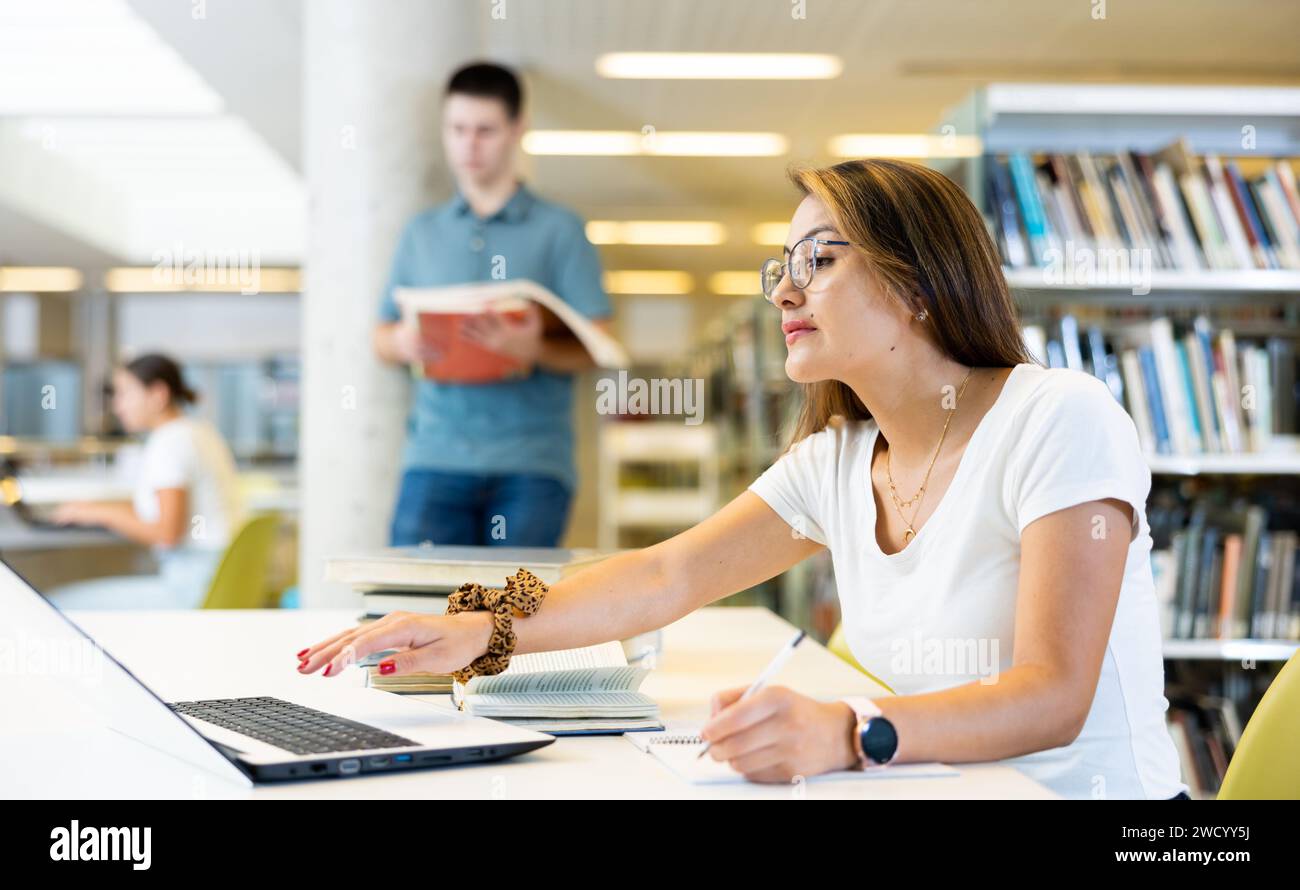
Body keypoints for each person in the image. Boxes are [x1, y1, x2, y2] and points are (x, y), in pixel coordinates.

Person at [299, 158, 1187, 800]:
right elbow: (664, 576)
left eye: (821, 260)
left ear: (918, 284)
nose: (785, 294)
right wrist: (480, 626)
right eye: (783, 268)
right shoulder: (840, 458)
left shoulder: (1058, 419)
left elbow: (1053, 697)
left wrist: (846, 732)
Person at [373, 61, 612, 548]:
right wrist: (401, 341)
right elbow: (380, 335)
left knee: (514, 619)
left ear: (516, 130)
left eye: (485, 131)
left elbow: (599, 345)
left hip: (531, 464)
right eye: (457, 130)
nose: (469, 146)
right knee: (417, 610)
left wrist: (534, 351)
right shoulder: (422, 233)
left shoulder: (561, 230)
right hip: (434, 458)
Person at [48, 353, 244, 610]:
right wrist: (97, 510)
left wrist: (99, 514)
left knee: (53, 606)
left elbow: (167, 532)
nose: (118, 406)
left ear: (157, 394)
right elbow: (163, 509)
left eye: (124, 394)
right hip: (219, 579)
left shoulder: (169, 442)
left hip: (190, 588)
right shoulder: (200, 431)